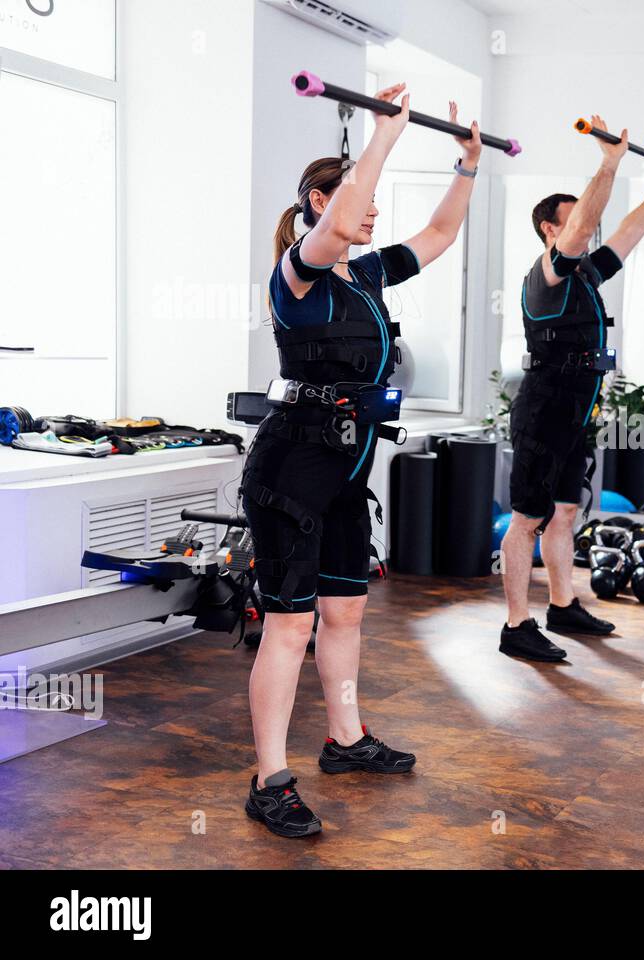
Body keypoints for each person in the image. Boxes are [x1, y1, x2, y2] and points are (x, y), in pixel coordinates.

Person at [241, 84, 482, 837]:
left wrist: (467, 166)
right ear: (316, 200)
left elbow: (440, 234)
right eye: (354, 198)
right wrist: (382, 136)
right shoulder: (299, 275)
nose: (370, 212)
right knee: (289, 627)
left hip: (347, 469)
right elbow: (347, 216)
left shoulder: (365, 276)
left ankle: (344, 740)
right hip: (291, 472)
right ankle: (268, 779)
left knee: (344, 613)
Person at [499, 118, 644, 662]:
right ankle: (515, 625)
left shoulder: (585, 276)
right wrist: (609, 162)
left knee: (565, 512)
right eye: (574, 220)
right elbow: (588, 226)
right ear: (551, 230)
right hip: (545, 406)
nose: (586, 227)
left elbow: (628, 232)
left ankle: (561, 604)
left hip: (577, 409)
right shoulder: (546, 274)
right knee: (528, 517)